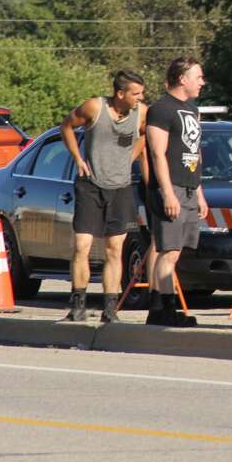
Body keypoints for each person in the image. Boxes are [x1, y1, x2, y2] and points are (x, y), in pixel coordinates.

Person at [59, 70, 147, 323]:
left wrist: (130, 157)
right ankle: (77, 306)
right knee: (82, 247)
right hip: (91, 185)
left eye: (142, 93)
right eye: (136, 93)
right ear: (120, 94)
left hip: (120, 188)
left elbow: (145, 137)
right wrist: (78, 158)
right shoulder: (94, 107)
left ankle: (110, 310)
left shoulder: (141, 112)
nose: (140, 98)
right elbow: (66, 126)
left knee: (114, 249)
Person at [144, 56, 210, 327]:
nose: (202, 82)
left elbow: (194, 152)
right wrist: (168, 193)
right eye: (198, 76)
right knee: (167, 251)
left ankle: (163, 308)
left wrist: (199, 192)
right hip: (171, 189)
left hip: (189, 187)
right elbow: (157, 154)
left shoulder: (192, 110)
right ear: (182, 79)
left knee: (176, 252)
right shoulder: (161, 109)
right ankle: (162, 309)